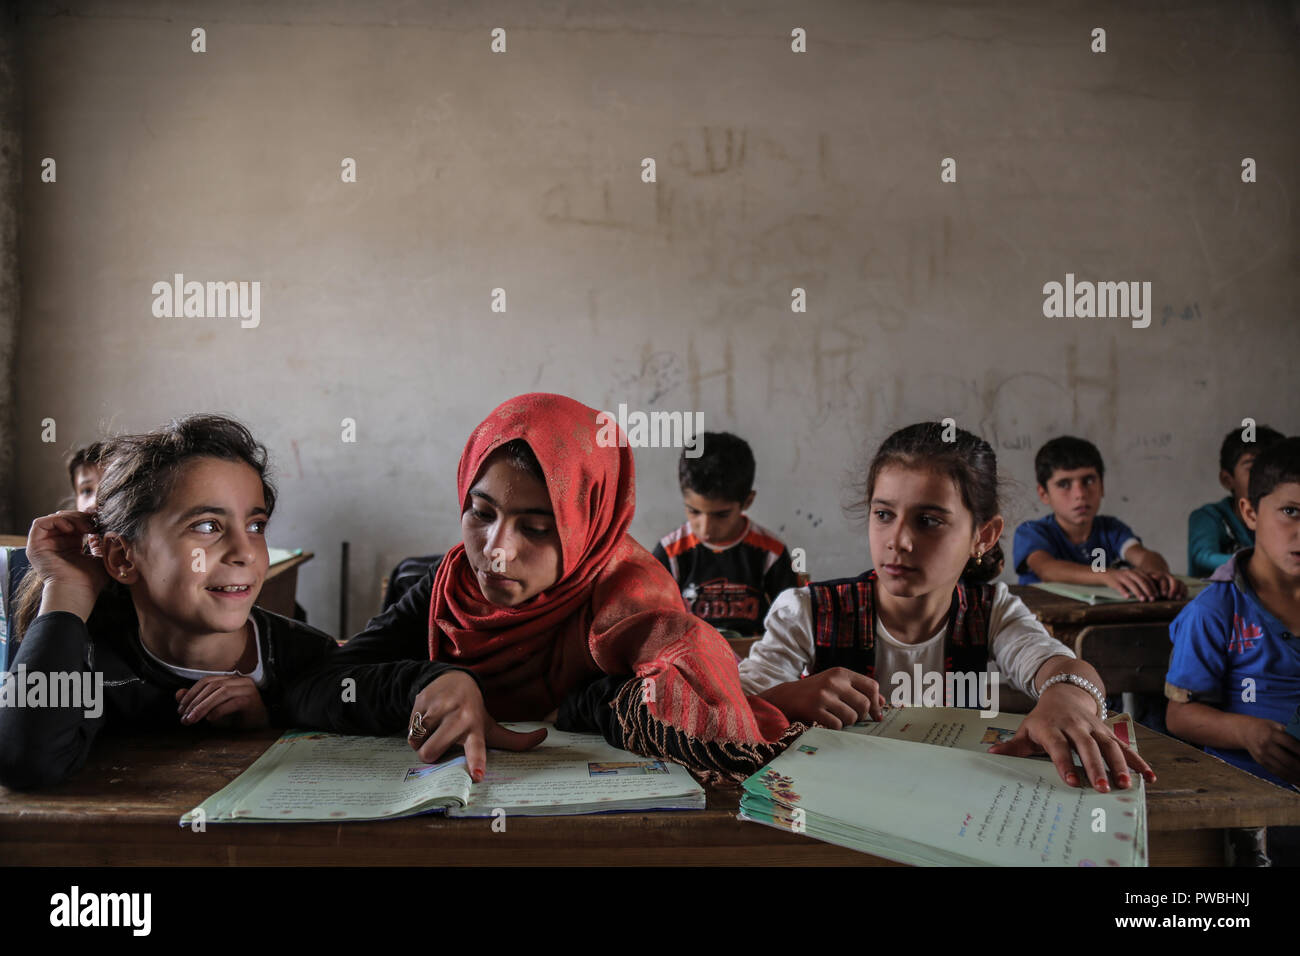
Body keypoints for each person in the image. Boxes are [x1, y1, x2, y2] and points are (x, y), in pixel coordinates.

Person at [287, 393, 800, 783]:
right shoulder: (450, 588)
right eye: (481, 513)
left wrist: (577, 706)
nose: (496, 550)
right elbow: (317, 684)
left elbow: (686, 697)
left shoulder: (630, 600)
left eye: (535, 528)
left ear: (587, 526)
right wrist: (432, 681)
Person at [739, 422, 1153, 792]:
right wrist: (786, 698)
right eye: (884, 514)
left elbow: (1062, 667)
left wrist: (1067, 701)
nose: (898, 540)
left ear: (983, 536)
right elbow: (728, 706)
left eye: (929, 521)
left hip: (951, 806)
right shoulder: (809, 610)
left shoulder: (992, 613)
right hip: (832, 806)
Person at [0, 415, 352, 789]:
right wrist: (65, 588)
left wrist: (272, 717)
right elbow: (24, 761)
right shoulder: (89, 659)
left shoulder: (309, 657)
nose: (244, 553)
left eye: (256, 526)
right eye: (206, 526)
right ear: (122, 559)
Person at [1166, 437, 1300, 790]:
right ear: (1250, 513)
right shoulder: (1215, 610)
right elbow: (1179, 715)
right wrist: (1246, 731)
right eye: (1291, 511)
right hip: (1250, 799)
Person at [652, 432, 799, 636]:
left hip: (754, 663)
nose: (705, 529)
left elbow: (792, 626)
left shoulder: (770, 553)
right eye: (694, 511)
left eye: (721, 515)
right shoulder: (670, 553)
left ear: (747, 502)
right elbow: (653, 624)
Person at [1014, 435, 1185, 601]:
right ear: (1044, 494)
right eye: (1064, 484)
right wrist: (1107, 575)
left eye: (1088, 481)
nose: (1080, 494)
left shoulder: (1111, 530)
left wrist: (1156, 575)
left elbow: (1144, 556)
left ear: (1102, 486)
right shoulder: (1032, 532)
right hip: (1041, 625)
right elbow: (1047, 569)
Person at [1188, 425, 1285, 578]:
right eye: (1252, 468)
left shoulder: (1287, 517)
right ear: (1227, 480)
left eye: (1274, 469)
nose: (1264, 478)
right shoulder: (1209, 517)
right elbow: (1203, 558)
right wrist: (1261, 562)